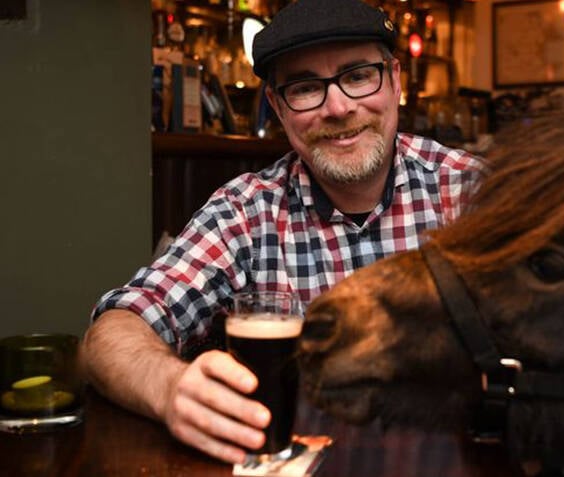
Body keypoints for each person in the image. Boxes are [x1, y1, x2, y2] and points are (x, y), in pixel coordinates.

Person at [80, 0, 482, 464]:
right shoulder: (246, 211)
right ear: (276, 106)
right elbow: (110, 333)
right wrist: (170, 388)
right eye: (306, 87)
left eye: (357, 76)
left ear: (395, 81)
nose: (337, 107)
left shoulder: (471, 192)